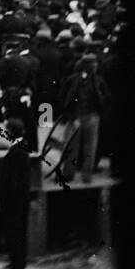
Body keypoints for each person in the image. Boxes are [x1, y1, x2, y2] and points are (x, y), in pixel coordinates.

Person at [57, 52, 109, 184]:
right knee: (78, 147)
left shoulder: (97, 80)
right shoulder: (78, 79)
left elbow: (107, 98)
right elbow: (63, 96)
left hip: (90, 116)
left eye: (94, 63)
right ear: (85, 65)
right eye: (92, 64)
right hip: (78, 116)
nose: (94, 66)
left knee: (87, 147)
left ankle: (84, 175)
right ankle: (72, 173)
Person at [0, 117, 32, 269]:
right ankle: (15, 263)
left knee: (15, 233)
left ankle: (16, 267)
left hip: (14, 201)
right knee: (15, 234)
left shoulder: (18, 150)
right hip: (17, 200)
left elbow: (16, 180)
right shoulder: (20, 147)